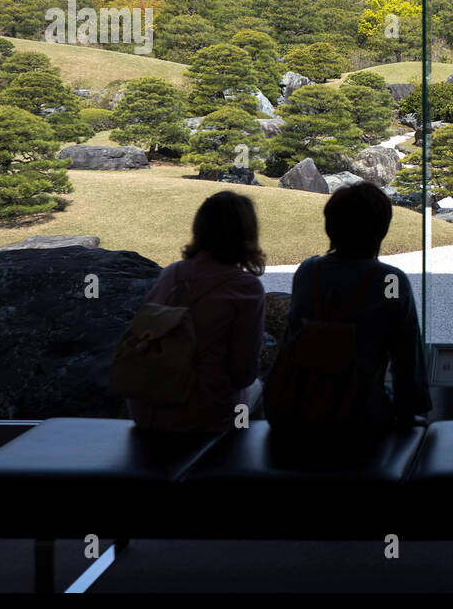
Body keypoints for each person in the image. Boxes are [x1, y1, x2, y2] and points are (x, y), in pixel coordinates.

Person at [272, 181, 431, 445]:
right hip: (358, 416)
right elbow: (406, 357)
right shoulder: (390, 280)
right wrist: (409, 410)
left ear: (330, 226)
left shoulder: (309, 271)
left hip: (295, 409)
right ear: (381, 229)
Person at [129, 190, 267, 433]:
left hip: (147, 407)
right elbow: (243, 373)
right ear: (246, 234)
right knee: (256, 388)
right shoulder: (246, 287)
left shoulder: (172, 274)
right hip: (204, 417)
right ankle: (236, 461)